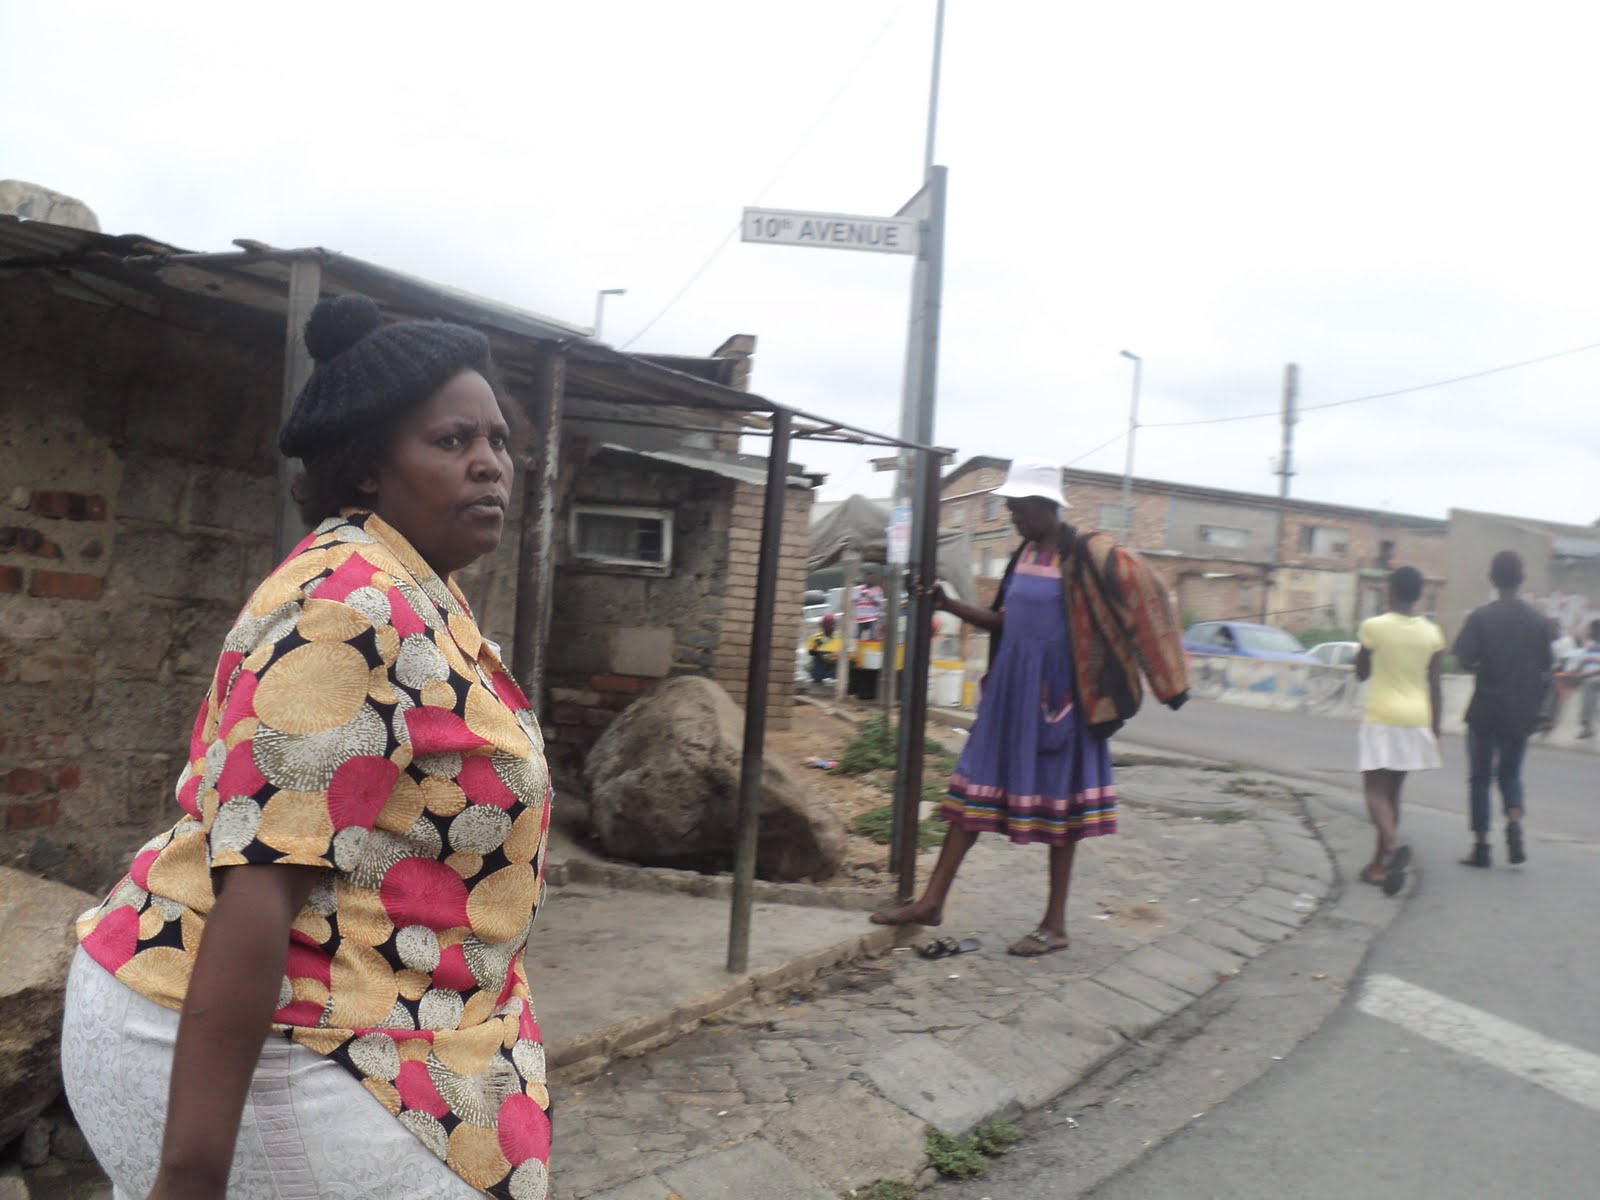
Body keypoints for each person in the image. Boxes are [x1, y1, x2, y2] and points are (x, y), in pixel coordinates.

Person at [62, 295, 553, 1200]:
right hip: (271, 1034)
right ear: (367, 467)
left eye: (499, 441)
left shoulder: (416, 585)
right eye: (452, 442)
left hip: (361, 1009)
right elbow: (260, 875)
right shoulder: (348, 603)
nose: (491, 465)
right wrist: (189, 1175)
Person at [869, 457, 1189, 955]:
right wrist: (948, 604)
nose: (1012, 516)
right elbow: (1005, 623)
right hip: (1008, 696)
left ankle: (1055, 925)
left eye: (1019, 508)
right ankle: (931, 902)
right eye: (1010, 507)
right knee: (968, 793)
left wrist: (1168, 679)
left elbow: (1148, 602)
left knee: (1061, 811)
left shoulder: (1085, 554)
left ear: (1047, 505)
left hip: (1062, 699)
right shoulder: (1023, 553)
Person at [1453, 549, 1552, 869]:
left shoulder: (1480, 617)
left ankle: (1481, 847)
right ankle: (1513, 821)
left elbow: (1464, 659)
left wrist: (1482, 663)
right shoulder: (1538, 622)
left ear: (1492, 579)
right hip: (1521, 711)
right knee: (1510, 774)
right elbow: (1547, 667)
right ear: (1521, 580)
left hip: (1486, 708)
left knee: (1480, 778)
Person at [1354, 566, 1445, 895]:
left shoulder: (1374, 626)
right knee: (1393, 796)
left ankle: (1391, 846)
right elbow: (1436, 685)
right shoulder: (1432, 633)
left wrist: (1367, 653)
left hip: (1382, 717)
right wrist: (1436, 730)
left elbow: (1361, 673)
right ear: (1420, 595)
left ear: (1390, 591)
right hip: (1417, 719)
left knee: (1374, 793)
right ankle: (1378, 868)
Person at [1574, 619, 1600, 739]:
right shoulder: (1590, 645)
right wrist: (1573, 672)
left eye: (1590, 629)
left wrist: (1585, 675)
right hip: (1588, 676)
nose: (1588, 631)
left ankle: (1587, 727)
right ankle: (1586, 726)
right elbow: (1583, 661)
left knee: (1589, 685)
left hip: (1594, 677)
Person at [807, 613, 840, 685]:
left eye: (833, 624)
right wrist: (817, 645)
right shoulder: (816, 637)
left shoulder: (839, 639)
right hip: (819, 669)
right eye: (829, 624)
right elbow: (810, 653)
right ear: (823, 626)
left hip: (833, 669)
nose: (832, 627)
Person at [854, 573, 885, 639]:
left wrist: (870, 597)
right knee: (856, 638)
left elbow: (878, 603)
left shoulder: (877, 589)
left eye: (873, 578)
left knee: (873, 637)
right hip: (860, 618)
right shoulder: (859, 589)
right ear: (866, 578)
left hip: (872, 617)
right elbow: (854, 601)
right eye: (869, 578)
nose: (871, 580)